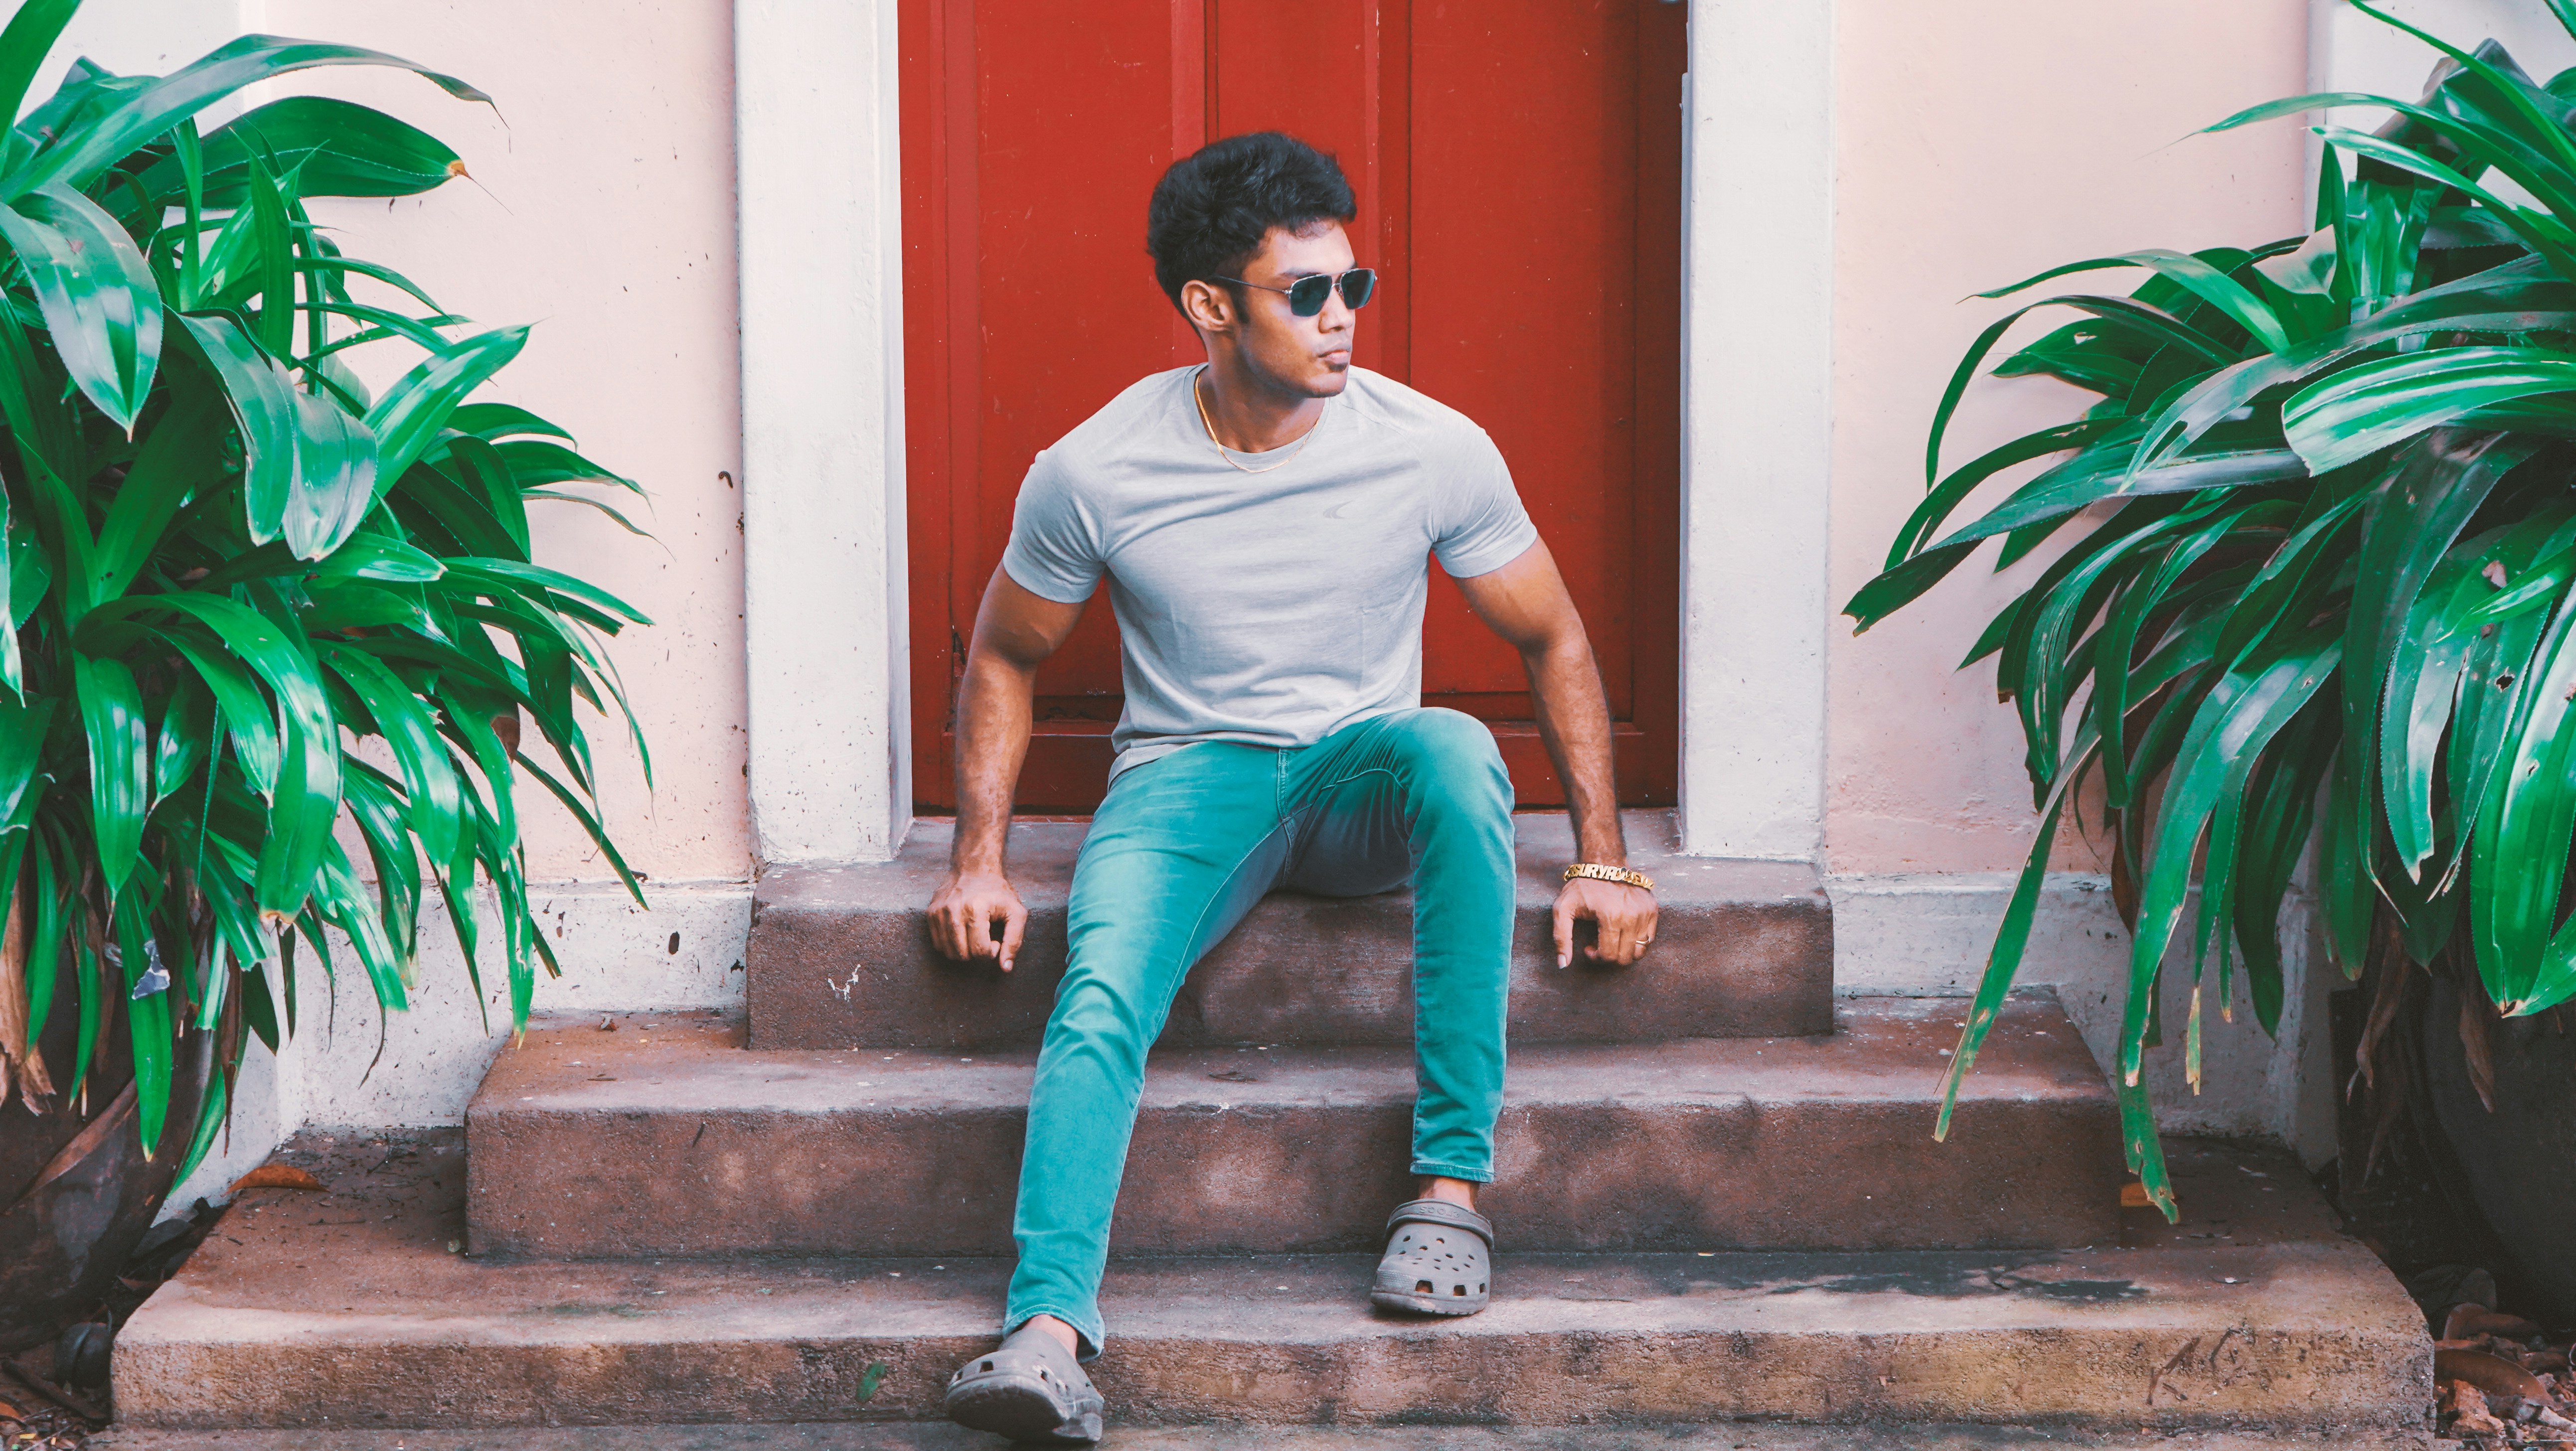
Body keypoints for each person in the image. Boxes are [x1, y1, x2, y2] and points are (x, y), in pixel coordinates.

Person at [926, 131, 1658, 1445]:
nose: (1342, 323)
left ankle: (1449, 1190)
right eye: (1306, 294)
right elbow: (1007, 654)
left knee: (1455, 746)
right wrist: (979, 856)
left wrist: (1601, 855)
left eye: (1353, 287)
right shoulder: (1095, 469)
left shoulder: (1430, 448)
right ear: (1211, 305)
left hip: (1360, 773)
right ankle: (1045, 1335)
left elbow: (1552, 637)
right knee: (1099, 993)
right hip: (1188, 783)